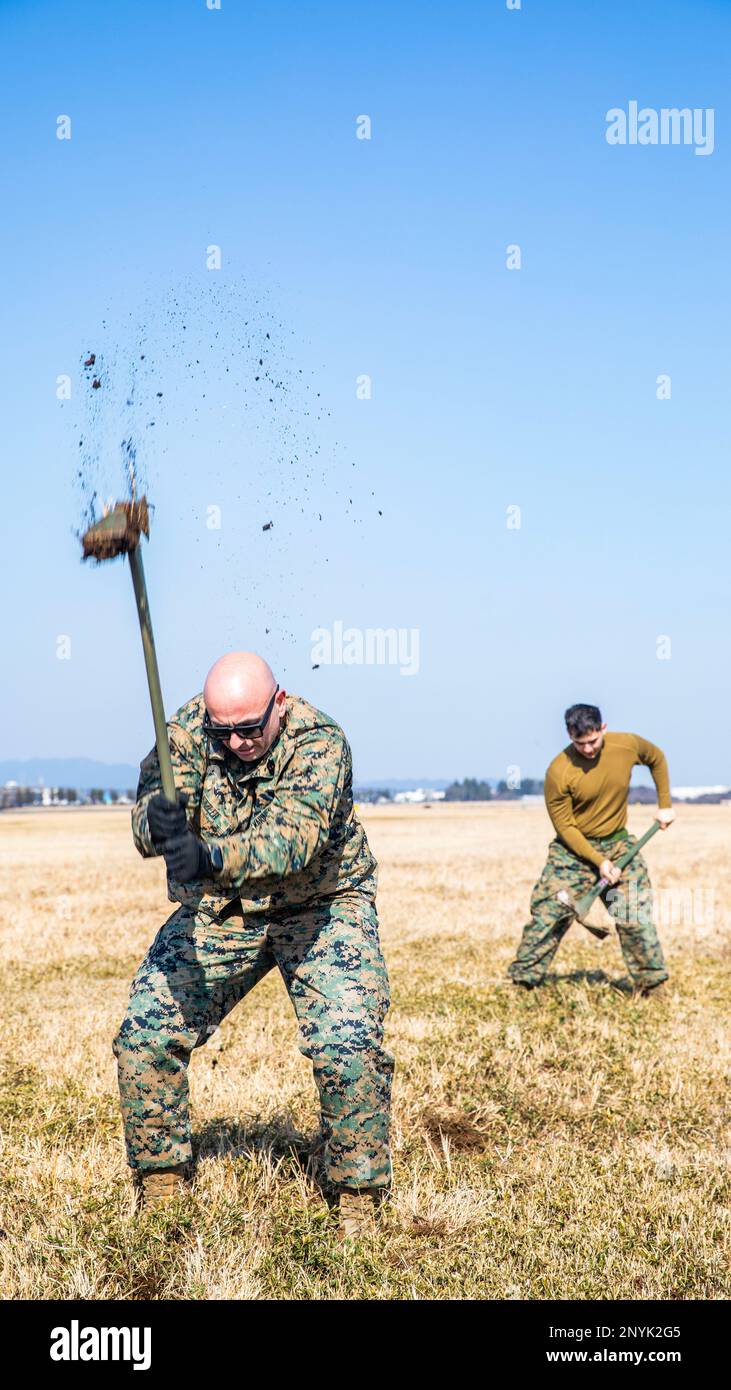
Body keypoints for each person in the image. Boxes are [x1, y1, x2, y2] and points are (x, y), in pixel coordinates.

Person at [112, 651, 393, 1241]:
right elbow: (148, 816)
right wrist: (158, 824)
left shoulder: (320, 742)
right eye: (224, 731)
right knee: (146, 1034)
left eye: (250, 728)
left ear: (279, 704)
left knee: (346, 1044)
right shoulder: (186, 731)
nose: (237, 742)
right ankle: (161, 1183)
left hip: (320, 905)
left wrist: (211, 857)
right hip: (224, 913)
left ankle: (358, 1198)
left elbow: (294, 842)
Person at [508, 703, 675, 995]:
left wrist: (665, 805)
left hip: (618, 843)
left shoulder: (626, 745)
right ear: (569, 735)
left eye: (593, 741)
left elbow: (656, 758)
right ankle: (522, 983)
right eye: (580, 743)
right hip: (573, 852)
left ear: (603, 728)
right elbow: (566, 828)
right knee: (548, 914)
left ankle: (653, 985)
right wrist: (599, 862)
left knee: (633, 914)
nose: (587, 749)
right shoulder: (559, 772)